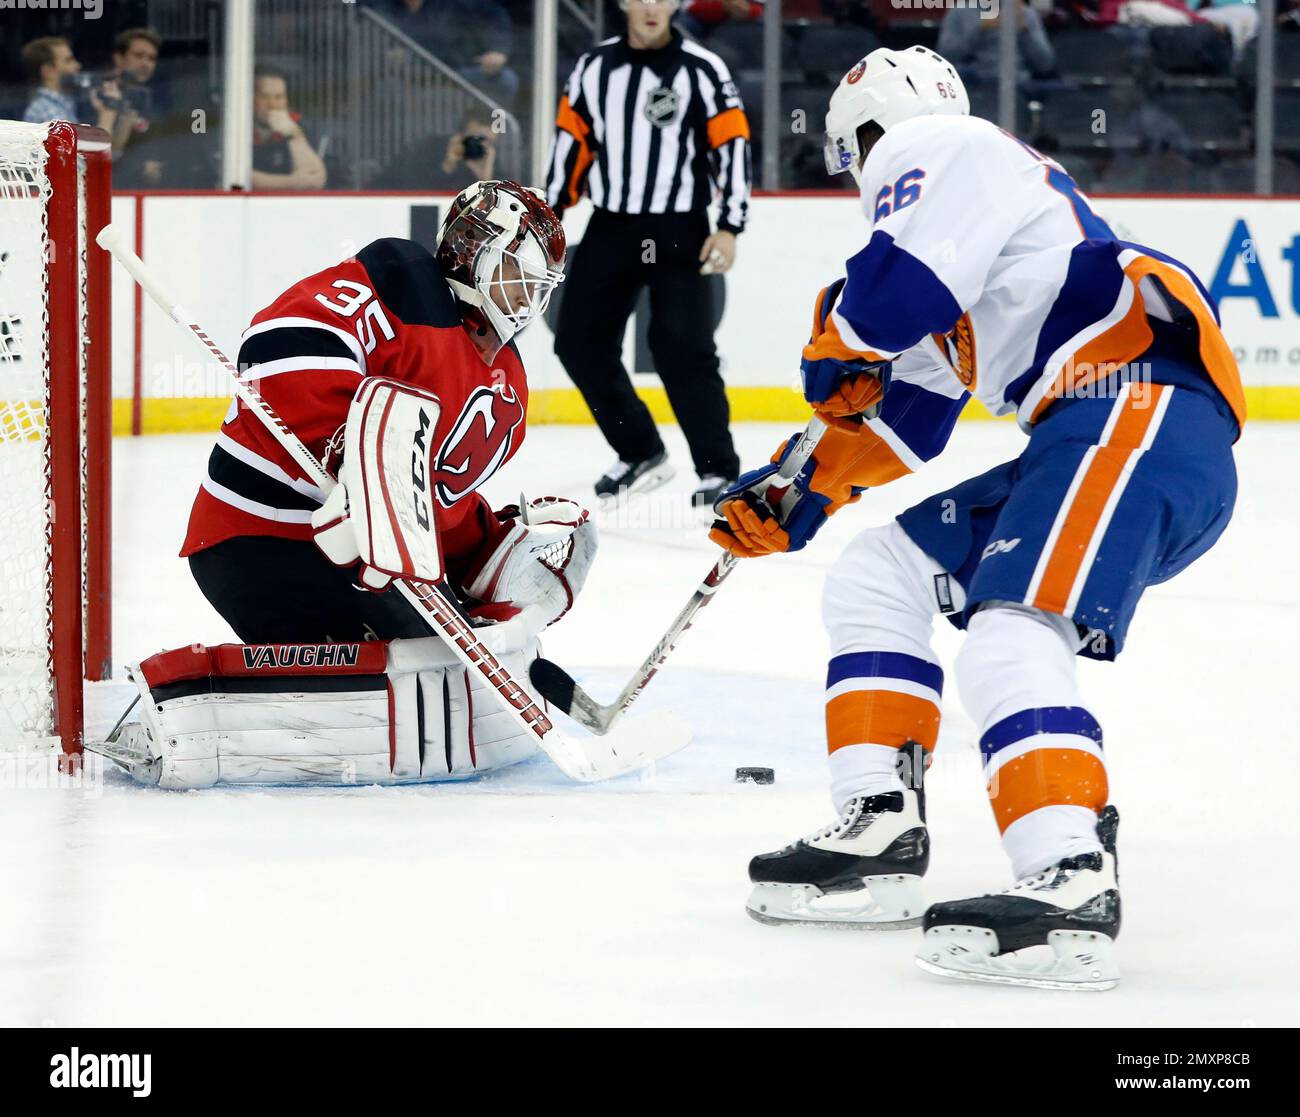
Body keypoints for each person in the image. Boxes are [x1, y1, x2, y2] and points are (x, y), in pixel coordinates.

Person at [712, 46, 1243, 990]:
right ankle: (878, 820)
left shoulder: (946, 146)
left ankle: (1069, 872)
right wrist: (796, 488)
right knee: (882, 570)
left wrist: (840, 333)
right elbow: (899, 414)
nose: (866, 185)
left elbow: (882, 311)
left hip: (1135, 411)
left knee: (1009, 632)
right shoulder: (980, 231)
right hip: (1091, 431)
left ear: (870, 136)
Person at [98, 182, 593, 790]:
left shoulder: (506, 386)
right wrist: (344, 453)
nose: (529, 297)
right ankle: (200, 710)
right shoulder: (400, 286)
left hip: (359, 563)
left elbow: (436, 501)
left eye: (538, 283)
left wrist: (486, 552)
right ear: (474, 253)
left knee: (433, 647)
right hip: (258, 544)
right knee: (413, 652)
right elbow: (281, 342)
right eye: (520, 274)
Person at [545, 0, 749, 507]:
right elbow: (571, 144)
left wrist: (730, 227)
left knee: (683, 347)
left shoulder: (704, 69)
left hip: (679, 227)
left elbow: (733, 144)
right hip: (612, 225)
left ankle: (717, 469)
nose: (653, 6)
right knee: (578, 343)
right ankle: (639, 449)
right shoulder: (594, 68)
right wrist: (550, 216)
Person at [381, 0, 520, 107]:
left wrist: (499, 50)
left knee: (506, 81)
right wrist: (387, 55)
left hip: (457, 73)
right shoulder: (383, 6)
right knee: (385, 90)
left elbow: (494, 14)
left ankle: (496, 133)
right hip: (410, 77)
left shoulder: (453, 3)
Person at [102, 27, 165, 187]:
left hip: (140, 193)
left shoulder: (153, 100)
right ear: (119, 58)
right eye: (138, 56)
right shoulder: (101, 95)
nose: (145, 64)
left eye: (151, 58)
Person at [20, 35, 121, 131]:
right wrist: (108, 113)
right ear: (49, 71)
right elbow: (87, 149)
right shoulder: (49, 112)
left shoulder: (61, 105)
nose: (78, 65)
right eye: (68, 60)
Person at [251, 67, 328, 191]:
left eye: (279, 97)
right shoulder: (236, 127)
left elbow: (314, 178)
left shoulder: (296, 126)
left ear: (286, 101)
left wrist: (291, 132)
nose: (272, 104)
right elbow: (236, 177)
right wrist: (292, 183)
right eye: (264, 96)